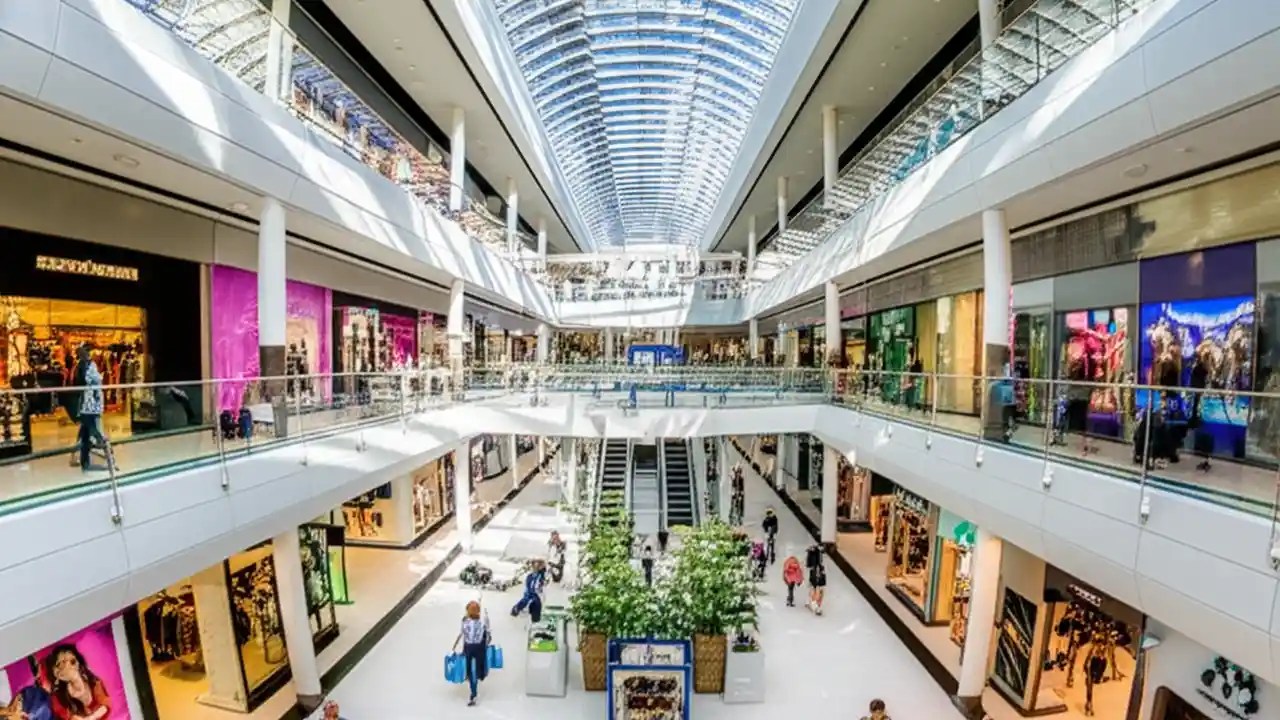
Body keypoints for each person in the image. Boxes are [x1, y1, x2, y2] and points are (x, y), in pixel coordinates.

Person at [46, 643, 110, 720]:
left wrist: (91, 718)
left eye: (72, 661)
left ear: (77, 662)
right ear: (57, 676)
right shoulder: (59, 698)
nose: (67, 666)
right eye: (59, 665)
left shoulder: (93, 681)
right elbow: (71, 717)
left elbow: (105, 705)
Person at [74, 345, 110, 473]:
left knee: (85, 432)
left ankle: (84, 460)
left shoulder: (82, 366)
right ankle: (104, 451)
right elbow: (95, 379)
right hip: (90, 404)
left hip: (88, 403)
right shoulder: (88, 365)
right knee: (93, 429)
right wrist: (100, 377)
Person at [453, 601, 490, 706]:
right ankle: (481, 672)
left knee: (468, 666)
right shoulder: (483, 621)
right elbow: (488, 633)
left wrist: (454, 647)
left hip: (469, 648)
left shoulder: (464, 621)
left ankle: (469, 679)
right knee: (481, 659)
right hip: (479, 648)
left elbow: (461, 634)